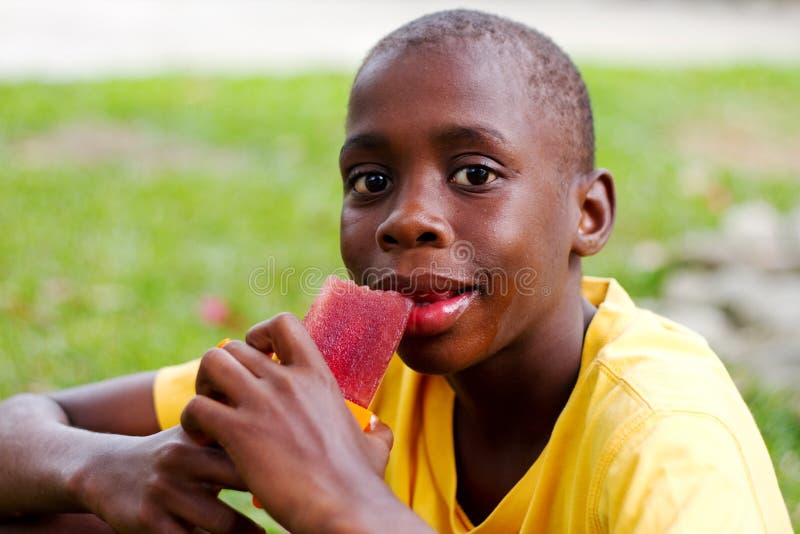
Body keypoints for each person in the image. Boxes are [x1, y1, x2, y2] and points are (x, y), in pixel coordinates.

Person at [0, 9, 792, 533]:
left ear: (588, 215)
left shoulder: (667, 437)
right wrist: (105, 469)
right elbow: (22, 426)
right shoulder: (358, 366)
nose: (405, 219)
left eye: (475, 173)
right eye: (369, 181)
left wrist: (341, 501)